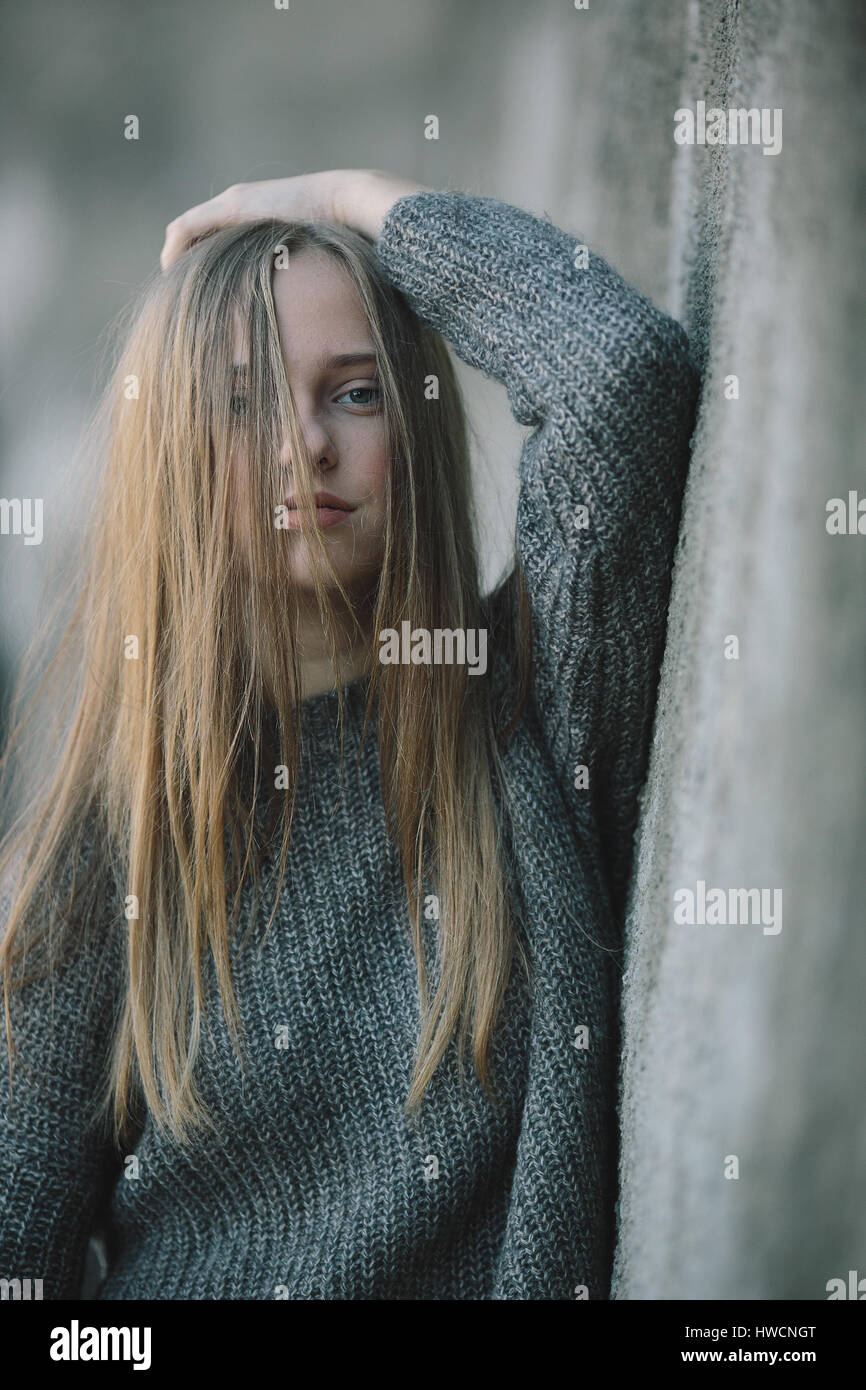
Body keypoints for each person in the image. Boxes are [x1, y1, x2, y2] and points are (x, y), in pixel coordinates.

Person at [0, 168, 699, 1300]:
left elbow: (618, 374)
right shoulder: (114, 841)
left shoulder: (519, 699)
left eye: (357, 393)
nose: (303, 447)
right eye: (242, 403)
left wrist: (359, 201)